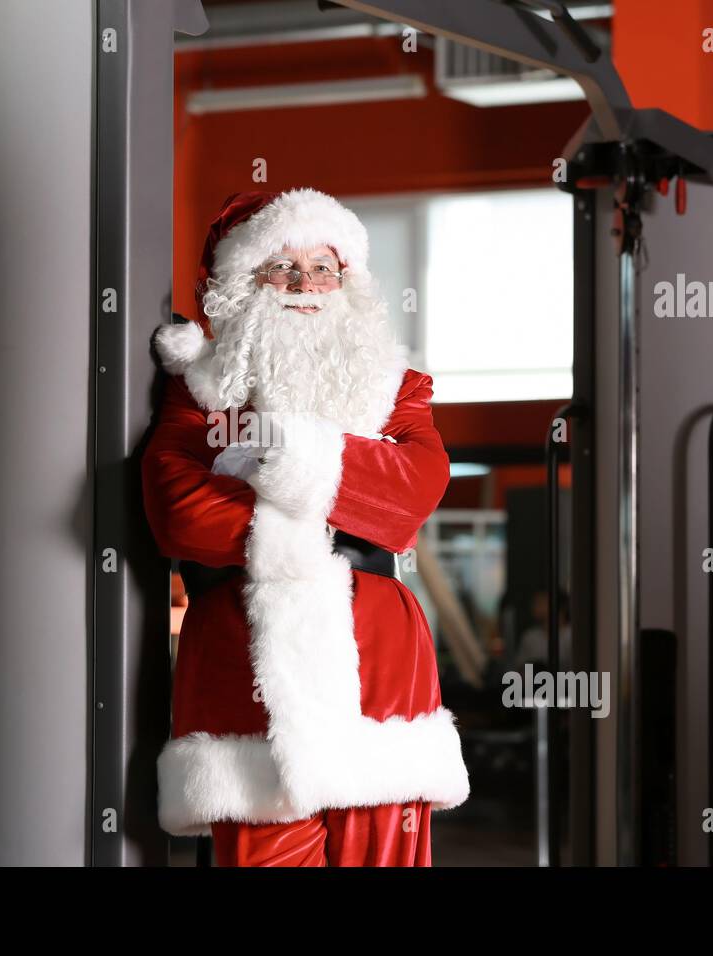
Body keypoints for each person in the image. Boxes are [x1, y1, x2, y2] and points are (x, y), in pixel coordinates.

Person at [142, 187, 470, 866]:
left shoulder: (397, 388)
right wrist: (338, 499)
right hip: (241, 649)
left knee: (379, 846)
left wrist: (285, 461)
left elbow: (412, 494)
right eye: (281, 267)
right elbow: (178, 512)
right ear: (242, 284)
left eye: (325, 266)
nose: (306, 284)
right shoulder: (198, 391)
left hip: (377, 648)